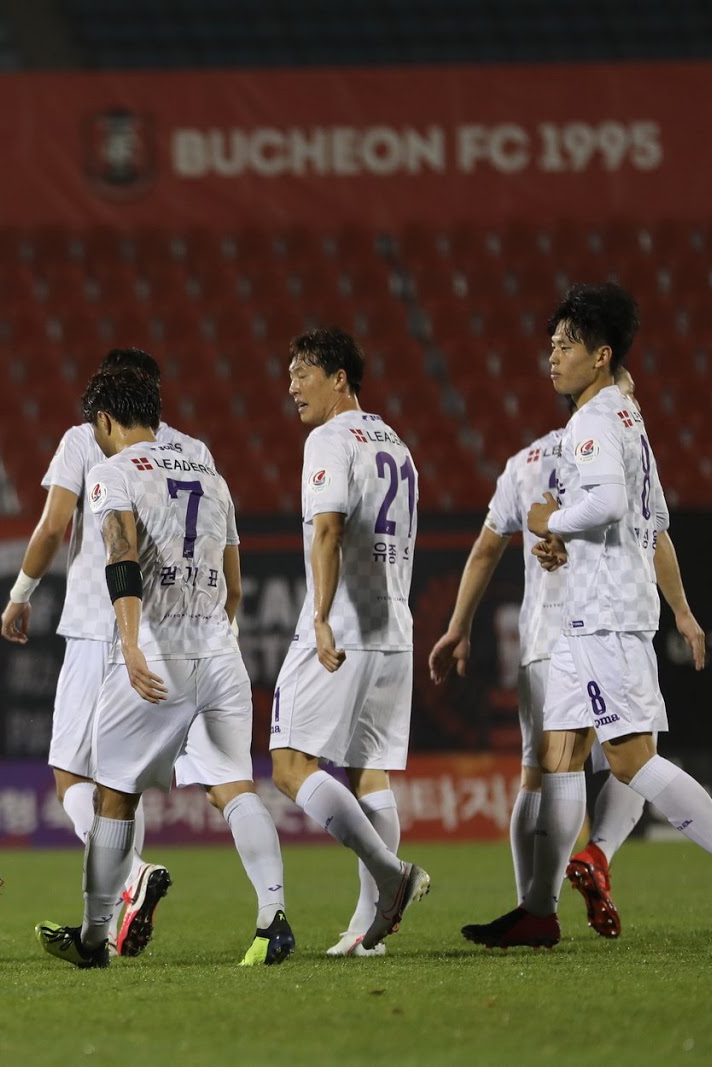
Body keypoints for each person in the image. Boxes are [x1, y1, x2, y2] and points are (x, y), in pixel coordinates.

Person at [461, 282, 712, 949]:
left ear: (601, 355)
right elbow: (653, 522)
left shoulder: (592, 424)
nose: (554, 357)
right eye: (551, 344)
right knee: (561, 752)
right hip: (588, 619)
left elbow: (607, 505)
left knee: (632, 758)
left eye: (568, 346)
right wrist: (569, 538)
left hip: (606, 616)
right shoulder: (628, 418)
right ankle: (541, 907)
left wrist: (552, 520)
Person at [429, 369, 707, 939]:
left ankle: (537, 905)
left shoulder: (524, 464)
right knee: (634, 755)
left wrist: (459, 625)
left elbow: (486, 550)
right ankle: (597, 855)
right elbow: (648, 536)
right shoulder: (619, 450)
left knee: (543, 774)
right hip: (605, 622)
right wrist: (679, 609)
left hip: (543, 639)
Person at [35, 367, 294, 969]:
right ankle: (272, 917)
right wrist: (218, 632)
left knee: (114, 796)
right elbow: (235, 580)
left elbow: (121, 561)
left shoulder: (112, 472)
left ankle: (95, 937)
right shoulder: (210, 472)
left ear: (104, 420)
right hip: (220, 650)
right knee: (233, 785)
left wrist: (129, 644)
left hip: (159, 651)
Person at [0, 347, 210, 957]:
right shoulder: (189, 449)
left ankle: (134, 872)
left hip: (100, 625)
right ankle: (121, 909)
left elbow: (52, 524)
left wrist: (20, 594)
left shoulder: (85, 441)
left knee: (72, 772)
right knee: (124, 780)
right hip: (170, 635)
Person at [267, 327, 430, 957]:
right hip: (394, 629)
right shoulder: (397, 444)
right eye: (289, 371)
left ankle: (391, 877)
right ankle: (369, 934)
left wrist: (322, 617)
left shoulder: (329, 439)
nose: (292, 384)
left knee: (289, 766)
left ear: (340, 378)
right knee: (370, 775)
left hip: (347, 625)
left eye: (303, 371)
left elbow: (328, 529)